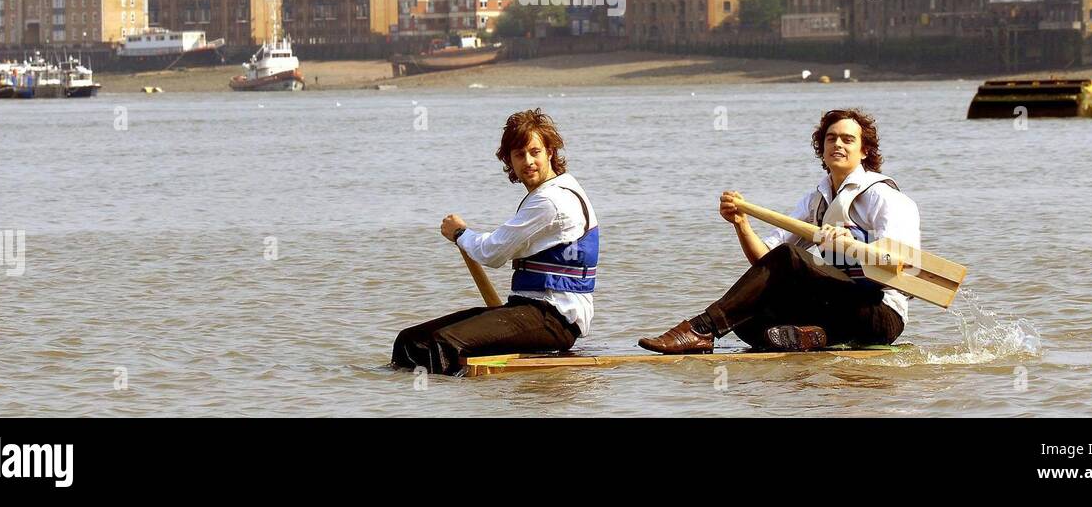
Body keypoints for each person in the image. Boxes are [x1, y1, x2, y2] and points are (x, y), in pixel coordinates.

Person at [638, 108, 918, 354]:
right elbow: (767, 263)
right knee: (745, 318)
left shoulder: (884, 196)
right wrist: (742, 224)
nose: (838, 144)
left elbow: (903, 268)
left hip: (879, 314)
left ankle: (701, 329)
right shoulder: (816, 200)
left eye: (848, 139)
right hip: (835, 308)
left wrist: (854, 244)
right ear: (821, 148)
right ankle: (816, 336)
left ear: (864, 150)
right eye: (831, 138)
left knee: (790, 258)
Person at [391, 109, 599, 376]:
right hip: (528, 310)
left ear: (550, 152)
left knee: (441, 344)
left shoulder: (551, 201)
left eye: (535, 152)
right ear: (509, 162)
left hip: (555, 320)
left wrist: (460, 233)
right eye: (519, 155)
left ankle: (448, 404)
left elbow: (492, 253)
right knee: (410, 341)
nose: (528, 161)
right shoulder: (547, 194)